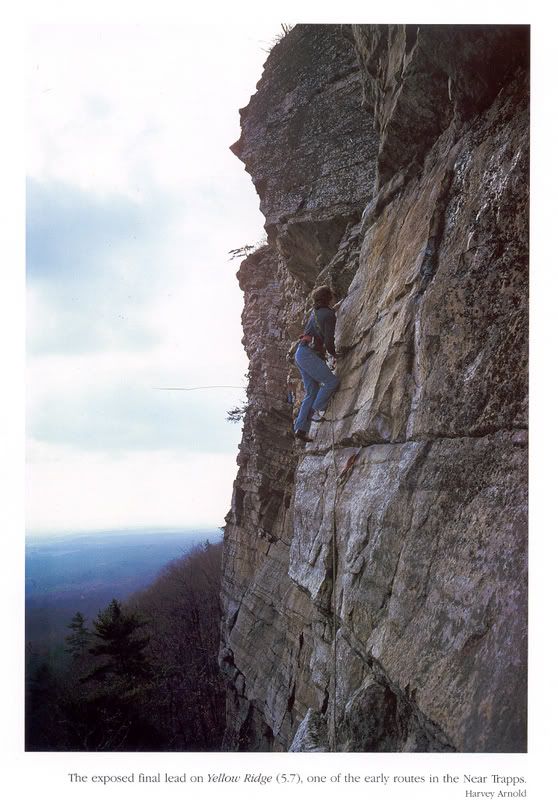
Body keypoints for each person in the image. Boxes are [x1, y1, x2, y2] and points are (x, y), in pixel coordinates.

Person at [294, 285, 340, 443]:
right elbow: (328, 342)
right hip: (308, 355)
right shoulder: (329, 314)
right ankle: (317, 410)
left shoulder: (314, 313)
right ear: (328, 298)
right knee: (331, 381)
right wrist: (335, 355)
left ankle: (301, 428)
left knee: (311, 393)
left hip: (300, 353)